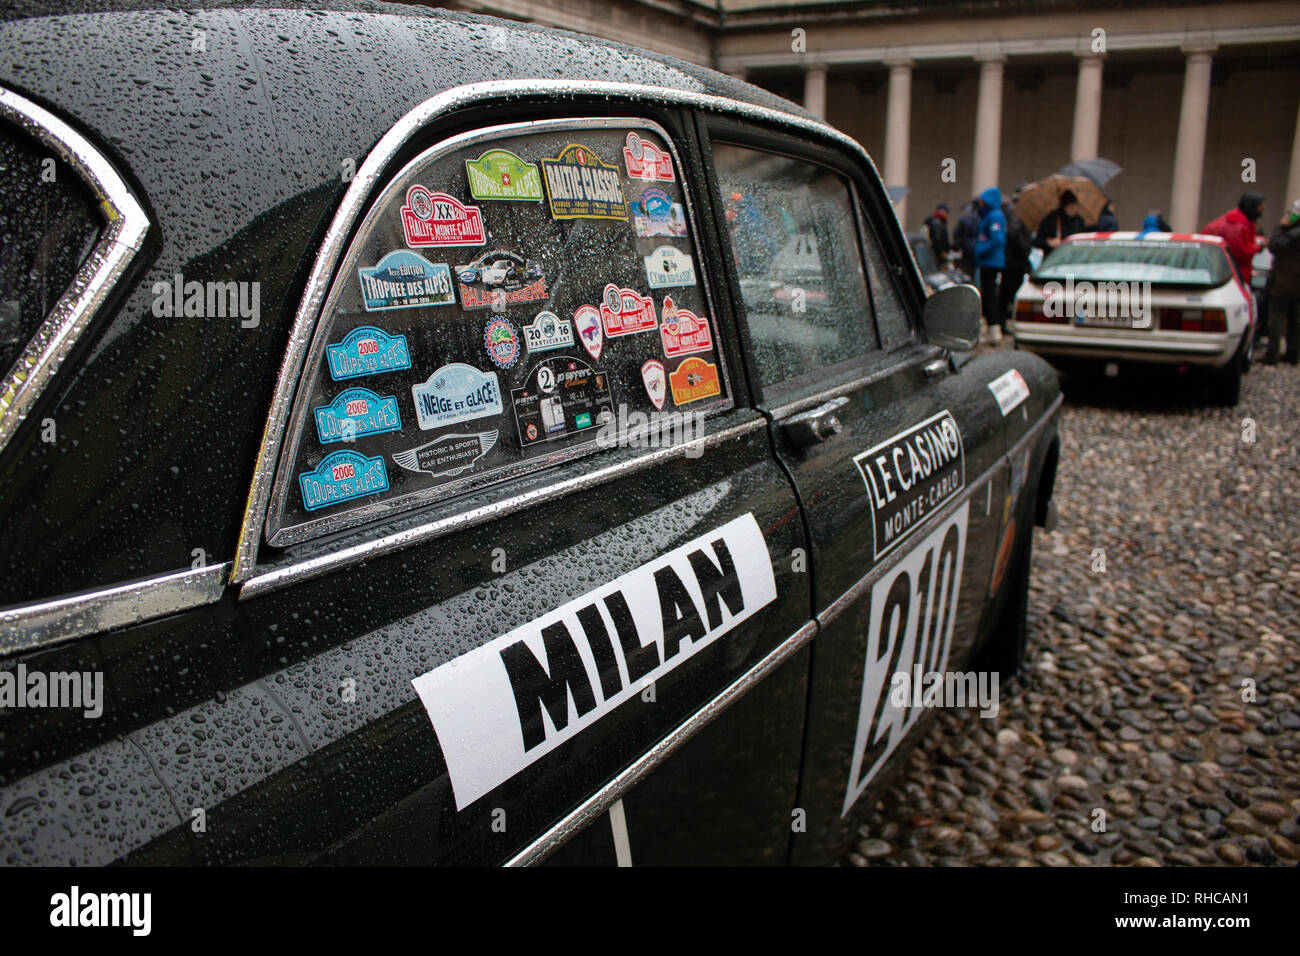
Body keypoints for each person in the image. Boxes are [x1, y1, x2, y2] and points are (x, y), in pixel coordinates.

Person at [1261, 198, 1300, 365]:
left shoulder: (1289, 232)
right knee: (1295, 320)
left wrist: (1281, 226)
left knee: (1276, 318)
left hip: (1284, 282)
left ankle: (1272, 354)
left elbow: (1275, 246)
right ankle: (1293, 354)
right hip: (1296, 283)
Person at [1202, 192, 1266, 285]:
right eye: (1260, 206)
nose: (1263, 208)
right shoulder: (1238, 225)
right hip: (1234, 275)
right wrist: (1259, 247)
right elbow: (1240, 252)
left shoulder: (1241, 223)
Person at [974, 186, 1006, 342]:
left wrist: (981, 249)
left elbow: (997, 239)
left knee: (989, 295)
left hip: (990, 260)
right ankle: (990, 327)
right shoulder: (989, 215)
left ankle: (993, 328)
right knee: (987, 294)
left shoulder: (994, 216)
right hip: (988, 260)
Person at [1000, 196, 1033, 326]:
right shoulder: (1014, 220)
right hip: (1015, 264)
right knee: (1010, 294)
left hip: (1011, 263)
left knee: (1005, 295)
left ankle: (1002, 322)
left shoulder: (1010, 219)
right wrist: (1026, 249)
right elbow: (1018, 241)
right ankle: (1006, 322)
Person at [953, 200, 981, 278]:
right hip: (978, 249)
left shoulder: (965, 219)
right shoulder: (982, 219)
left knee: (965, 271)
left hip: (966, 249)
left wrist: (958, 246)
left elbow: (956, 234)